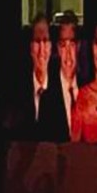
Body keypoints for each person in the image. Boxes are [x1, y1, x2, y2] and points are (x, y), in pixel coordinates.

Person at [39, 11, 79, 142]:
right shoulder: (47, 96)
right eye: (63, 45)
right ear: (57, 48)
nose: (68, 53)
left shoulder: (89, 87)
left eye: (71, 44)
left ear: (78, 46)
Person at [12, 14, 52, 140]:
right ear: (30, 47)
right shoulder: (18, 90)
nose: (41, 49)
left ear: (51, 47)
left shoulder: (60, 88)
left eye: (45, 41)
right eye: (37, 41)